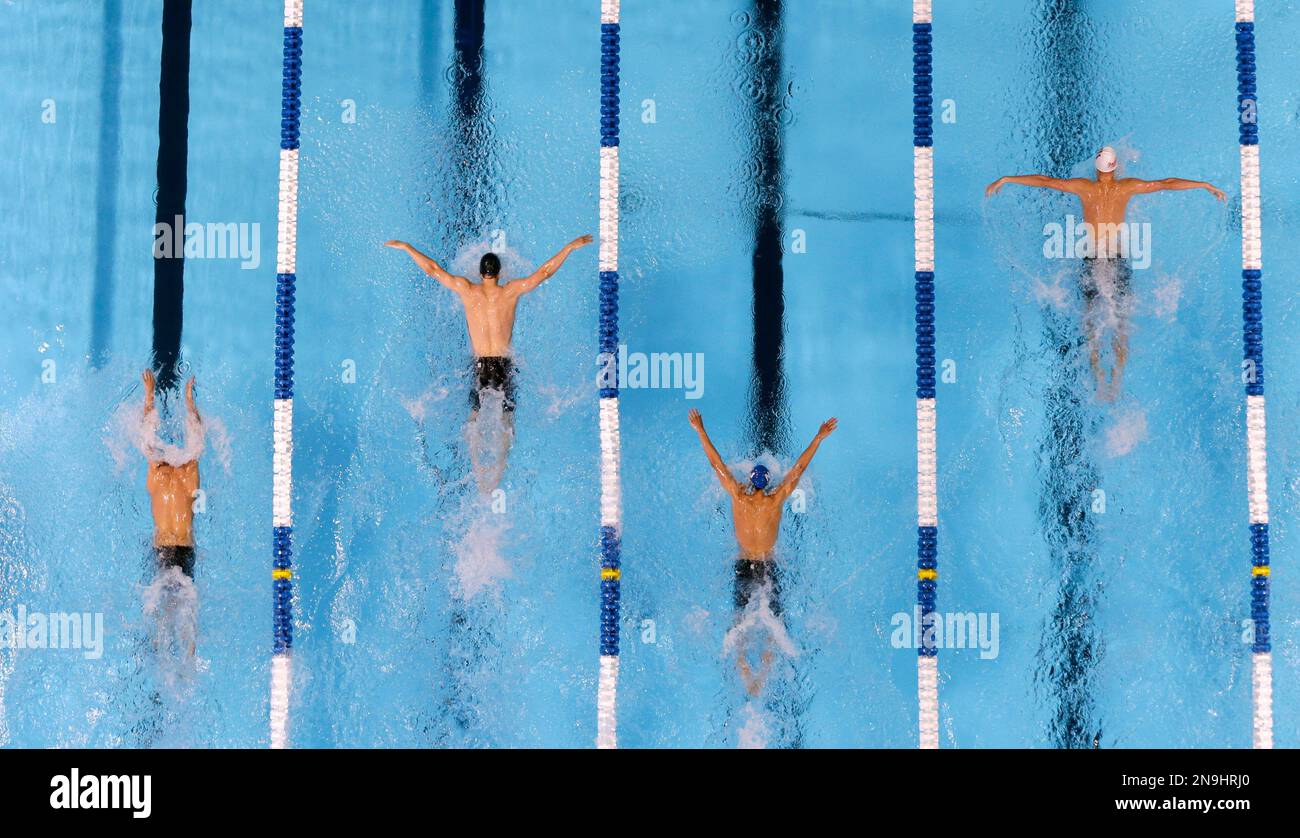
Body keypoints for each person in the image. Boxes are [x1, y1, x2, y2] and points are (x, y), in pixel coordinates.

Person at [986, 146, 1225, 400]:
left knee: (1091, 323)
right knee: (1120, 323)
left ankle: (1099, 378)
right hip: (1117, 261)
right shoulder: (1127, 187)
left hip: (1092, 261)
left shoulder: (1083, 187)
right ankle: (1117, 380)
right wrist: (1203, 184)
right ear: (1115, 167)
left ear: (1096, 168)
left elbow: (1045, 181)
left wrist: (1007, 179)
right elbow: (1166, 183)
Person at [385, 235, 593, 492]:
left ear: (480, 273)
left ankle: (478, 472)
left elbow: (432, 269)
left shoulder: (466, 289)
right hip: (503, 366)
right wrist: (570, 247)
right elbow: (545, 272)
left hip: (480, 366)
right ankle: (497, 476)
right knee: (506, 419)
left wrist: (407, 247)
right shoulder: (512, 290)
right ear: (499, 273)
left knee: (474, 417)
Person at [688, 408, 837, 696]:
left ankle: (745, 672)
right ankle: (765, 673)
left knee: (739, 621)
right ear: (767, 482)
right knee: (774, 623)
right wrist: (819, 437)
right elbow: (798, 470)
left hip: (743, 564)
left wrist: (700, 430)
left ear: (749, 481)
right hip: (769, 567)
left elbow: (715, 463)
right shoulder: (776, 499)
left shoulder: (737, 495)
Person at [142, 368, 201, 580]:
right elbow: (196, 434)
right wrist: (188, 401)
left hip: (163, 550)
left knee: (161, 605)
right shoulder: (188, 476)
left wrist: (150, 394)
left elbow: (146, 436)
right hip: (181, 550)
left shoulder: (157, 474)